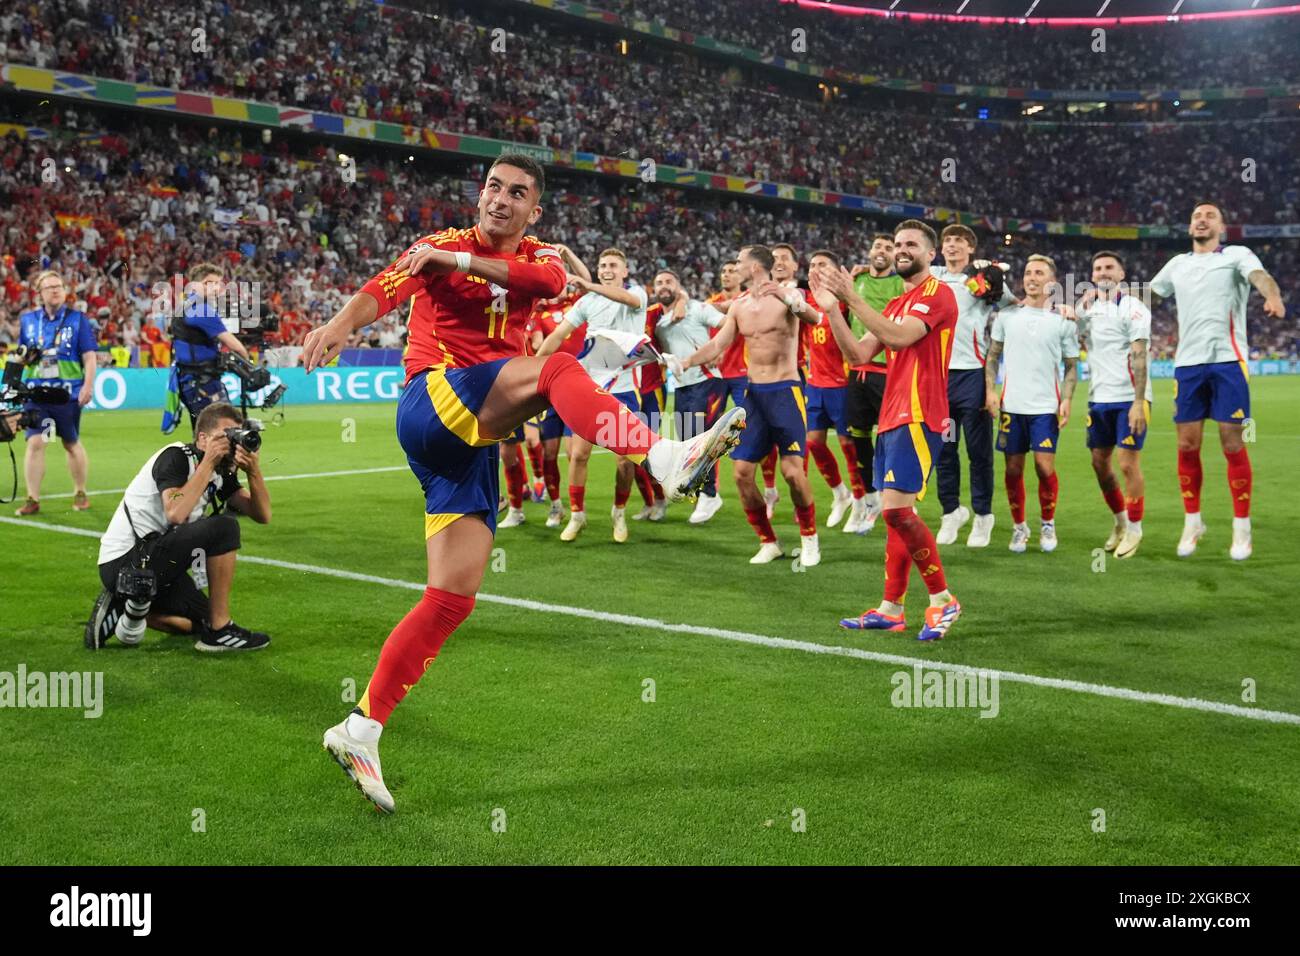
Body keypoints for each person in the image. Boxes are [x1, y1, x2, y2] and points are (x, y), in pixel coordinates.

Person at [305, 154, 744, 813]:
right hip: (431, 404)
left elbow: (542, 278)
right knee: (552, 370)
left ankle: (359, 729)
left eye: (516, 193)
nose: (500, 200)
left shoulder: (534, 260)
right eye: (492, 187)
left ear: (534, 209)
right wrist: (339, 327)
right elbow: (387, 286)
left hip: (470, 442)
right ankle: (662, 459)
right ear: (479, 193)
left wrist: (459, 267)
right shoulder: (442, 245)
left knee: (451, 598)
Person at [813, 220, 962, 641]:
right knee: (896, 516)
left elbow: (898, 339)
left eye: (911, 244)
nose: (901, 249)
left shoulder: (938, 294)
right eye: (897, 243)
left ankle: (942, 599)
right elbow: (859, 353)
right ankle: (891, 609)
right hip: (891, 416)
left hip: (920, 414)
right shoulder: (897, 302)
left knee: (897, 511)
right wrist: (831, 310)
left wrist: (852, 298)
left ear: (930, 254)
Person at [1149, 202, 1286, 560]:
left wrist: (1271, 295)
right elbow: (1148, 294)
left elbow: (1260, 276)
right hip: (1187, 365)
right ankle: (1193, 521)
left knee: (1231, 443)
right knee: (1186, 445)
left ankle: (1242, 528)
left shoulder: (1237, 254)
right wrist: (1107, 299)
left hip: (1228, 361)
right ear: (1189, 225)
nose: (1201, 219)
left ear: (1222, 227)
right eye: (1196, 215)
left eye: (1209, 216)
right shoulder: (1177, 265)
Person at [677, 244, 822, 567]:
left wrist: (790, 299)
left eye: (740, 261)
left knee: (792, 473)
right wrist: (685, 361)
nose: (735, 265)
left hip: (786, 390)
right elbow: (717, 344)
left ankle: (809, 538)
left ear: (755, 266)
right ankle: (768, 541)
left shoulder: (786, 295)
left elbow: (814, 318)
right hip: (754, 394)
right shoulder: (740, 305)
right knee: (742, 473)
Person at [88, 402, 272, 652]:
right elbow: (175, 512)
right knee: (225, 527)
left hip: (156, 565)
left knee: (203, 619)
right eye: (227, 435)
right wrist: (207, 464)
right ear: (203, 438)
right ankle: (220, 631)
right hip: (125, 561)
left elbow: (262, 515)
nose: (232, 443)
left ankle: (127, 606)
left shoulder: (220, 472)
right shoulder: (176, 456)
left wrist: (254, 471)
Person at [536, 247, 649, 544]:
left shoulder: (636, 293)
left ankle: (619, 511)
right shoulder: (587, 302)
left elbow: (628, 299)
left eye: (613, 265)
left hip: (624, 389)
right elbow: (557, 336)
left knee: (626, 461)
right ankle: (577, 515)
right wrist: (533, 367)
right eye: (603, 265)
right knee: (578, 454)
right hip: (588, 388)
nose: (607, 269)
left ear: (625, 271)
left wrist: (588, 284)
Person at [983, 255, 1080, 554]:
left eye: (1039, 273)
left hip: (1045, 407)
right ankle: (1019, 527)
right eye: (1027, 272)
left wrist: (1067, 399)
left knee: (1043, 466)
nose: (1031, 277)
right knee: (1012, 469)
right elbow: (993, 356)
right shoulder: (1007, 316)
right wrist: (990, 390)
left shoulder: (1063, 320)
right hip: (1012, 405)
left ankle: (1047, 523)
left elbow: (1071, 365)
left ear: (1051, 282)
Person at [931, 225, 1017, 549]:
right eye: (947, 241)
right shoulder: (932, 276)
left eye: (959, 241)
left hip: (973, 377)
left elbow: (1011, 304)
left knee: (978, 452)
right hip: (939, 378)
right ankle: (951, 511)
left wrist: (994, 274)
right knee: (945, 449)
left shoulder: (979, 280)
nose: (952, 245)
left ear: (971, 248)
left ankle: (983, 515)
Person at [1077, 250, 1152, 559]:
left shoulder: (1133, 307)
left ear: (1122, 275)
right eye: (1098, 268)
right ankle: (1120, 522)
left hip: (1128, 399)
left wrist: (1138, 401)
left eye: (1110, 267)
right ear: (1092, 276)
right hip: (1098, 397)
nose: (1103, 272)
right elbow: (1076, 341)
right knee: (1099, 462)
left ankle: (1135, 529)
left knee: (1127, 463)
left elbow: (1139, 354)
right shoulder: (1089, 309)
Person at [13, 270, 97, 517]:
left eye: (58, 286)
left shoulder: (78, 319)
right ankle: (32, 498)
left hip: (67, 394)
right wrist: (12, 382)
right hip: (37, 393)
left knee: (70, 443)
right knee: (36, 442)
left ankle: (80, 491)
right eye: (49, 287)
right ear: (39, 293)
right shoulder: (28, 321)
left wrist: (88, 386)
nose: (55, 290)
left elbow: (89, 356)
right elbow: (22, 355)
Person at [652, 269, 727, 524]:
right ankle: (705, 492)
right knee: (689, 441)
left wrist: (719, 348)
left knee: (704, 439)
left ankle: (710, 495)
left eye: (669, 282)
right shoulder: (659, 323)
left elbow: (727, 324)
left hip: (706, 380)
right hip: (682, 386)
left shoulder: (697, 308)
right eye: (659, 282)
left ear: (678, 286)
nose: (664, 286)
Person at [803, 250, 867, 529]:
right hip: (815, 385)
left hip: (842, 385)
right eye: (812, 265)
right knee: (813, 443)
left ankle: (860, 501)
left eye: (822, 265)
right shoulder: (804, 300)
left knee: (848, 446)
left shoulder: (843, 302)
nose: (816, 269)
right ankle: (840, 493)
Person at [844, 235, 904, 533]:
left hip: (887, 369)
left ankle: (892, 497)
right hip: (856, 369)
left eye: (888, 248)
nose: (882, 251)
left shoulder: (898, 284)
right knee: (858, 436)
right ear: (869, 251)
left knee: (889, 438)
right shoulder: (858, 280)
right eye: (878, 246)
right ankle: (870, 499)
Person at [169, 262, 251, 432]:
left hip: (188, 382)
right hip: (204, 383)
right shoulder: (202, 310)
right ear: (206, 283)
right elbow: (235, 346)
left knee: (203, 437)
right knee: (226, 433)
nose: (219, 289)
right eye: (216, 284)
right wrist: (249, 365)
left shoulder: (183, 306)